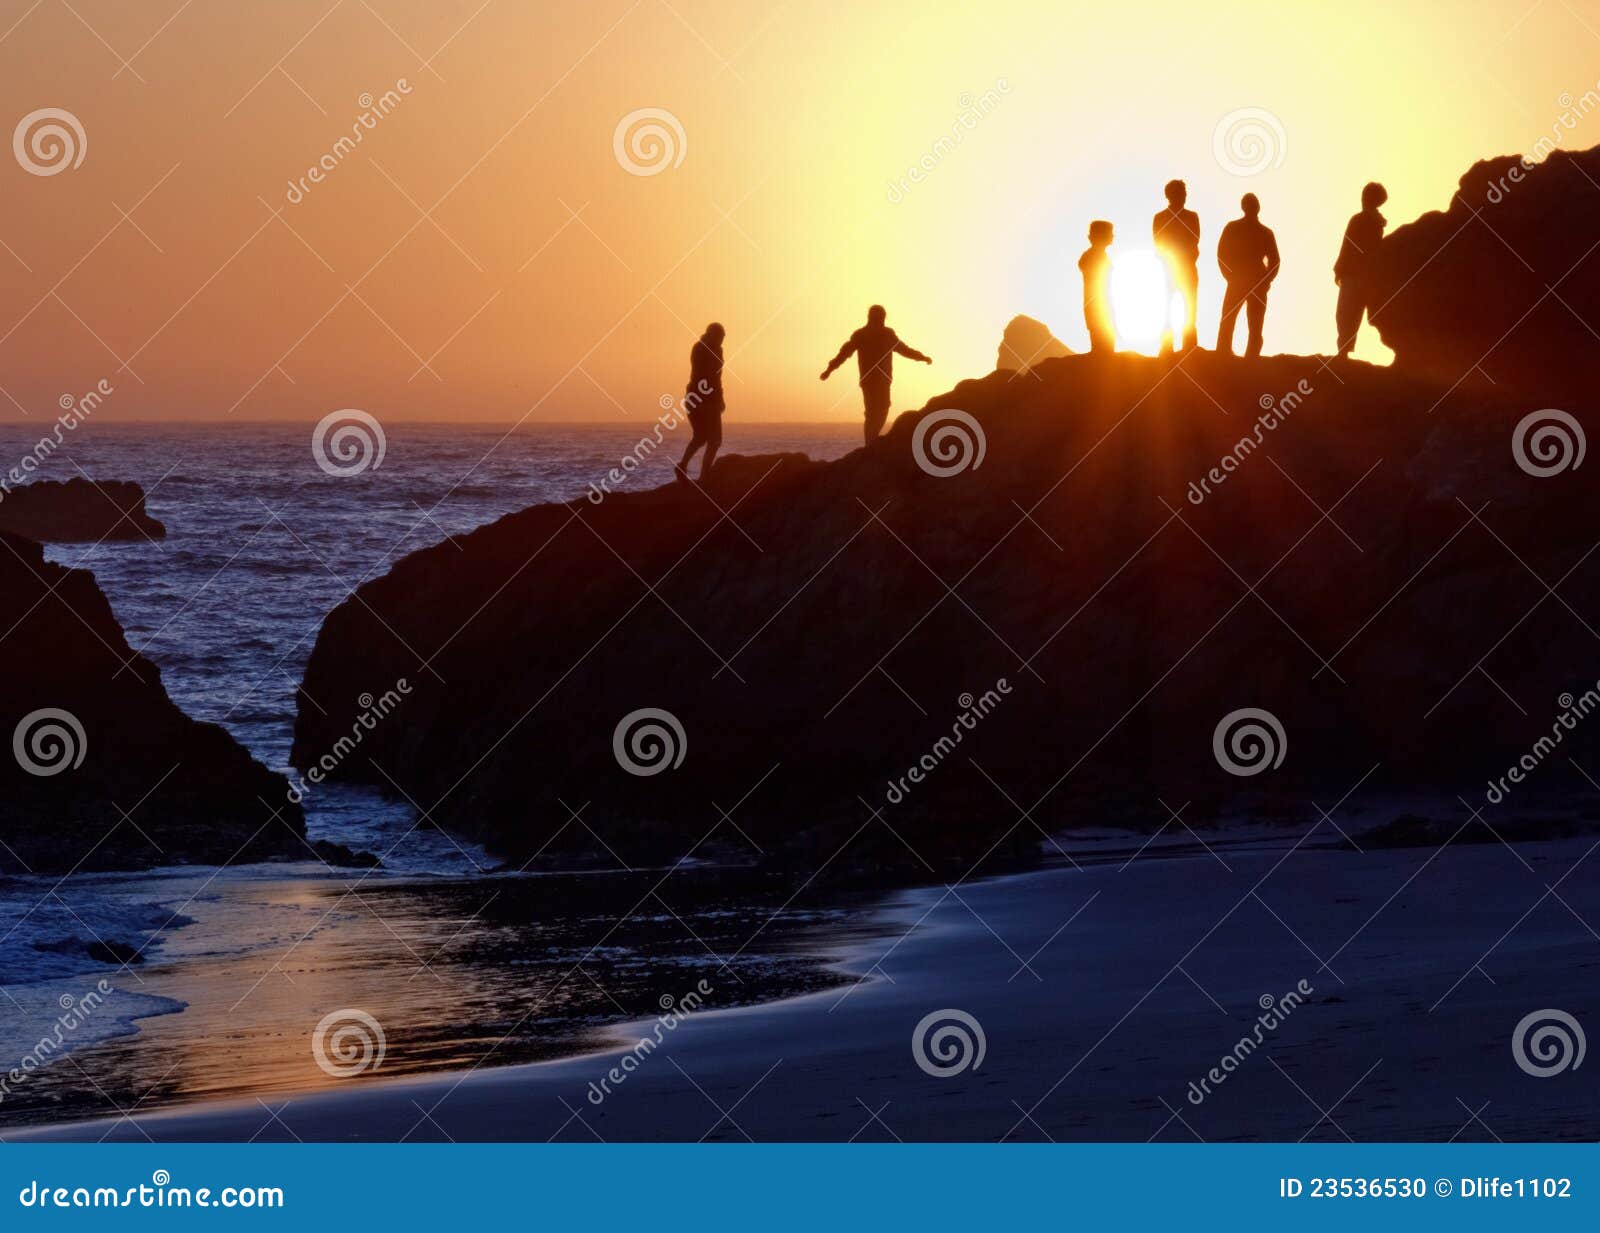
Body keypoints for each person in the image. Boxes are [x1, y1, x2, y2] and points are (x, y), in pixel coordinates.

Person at [819, 305, 932, 445]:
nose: (882, 320)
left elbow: (903, 350)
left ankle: (871, 441)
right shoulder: (869, 335)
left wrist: (921, 357)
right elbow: (845, 353)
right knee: (876, 410)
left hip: (876, 379)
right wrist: (829, 369)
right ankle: (870, 442)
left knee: (877, 410)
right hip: (876, 380)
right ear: (877, 317)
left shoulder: (879, 334)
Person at [1215, 194, 1280, 357]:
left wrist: (1266, 280)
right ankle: (1225, 353)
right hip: (1241, 279)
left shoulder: (1264, 232)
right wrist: (1229, 276)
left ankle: (1249, 355)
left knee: (1254, 322)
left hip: (1252, 280)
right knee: (1233, 319)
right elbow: (1222, 254)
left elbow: (1275, 261)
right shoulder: (1234, 228)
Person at [1334, 181, 1388, 358]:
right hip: (1366, 274)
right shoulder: (1377, 223)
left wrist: (1339, 268)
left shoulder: (1359, 220)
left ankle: (1343, 351)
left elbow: (1348, 245)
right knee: (1353, 312)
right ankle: (1345, 350)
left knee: (1346, 312)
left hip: (1353, 273)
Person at [1152, 179, 1200, 354]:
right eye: (1180, 194)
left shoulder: (1191, 216)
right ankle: (1168, 345)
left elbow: (1194, 240)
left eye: (1184, 194)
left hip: (1183, 267)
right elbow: (1159, 243)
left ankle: (1188, 345)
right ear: (1169, 196)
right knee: (1169, 307)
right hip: (1172, 268)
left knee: (1189, 308)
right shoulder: (1160, 217)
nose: (1184, 197)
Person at [675, 322, 725, 482]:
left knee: (701, 437)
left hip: (697, 397)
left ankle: (682, 466)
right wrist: (717, 398)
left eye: (723, 338)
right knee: (714, 439)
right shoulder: (702, 348)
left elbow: (717, 377)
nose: (721, 341)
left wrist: (720, 397)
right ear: (711, 334)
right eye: (719, 337)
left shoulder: (714, 348)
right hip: (702, 399)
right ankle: (705, 476)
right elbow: (710, 376)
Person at [1078, 220, 1115, 355]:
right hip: (1098, 306)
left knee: (1105, 348)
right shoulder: (1092, 256)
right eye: (1110, 233)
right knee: (1103, 350)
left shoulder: (1095, 256)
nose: (1113, 236)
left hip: (1099, 305)